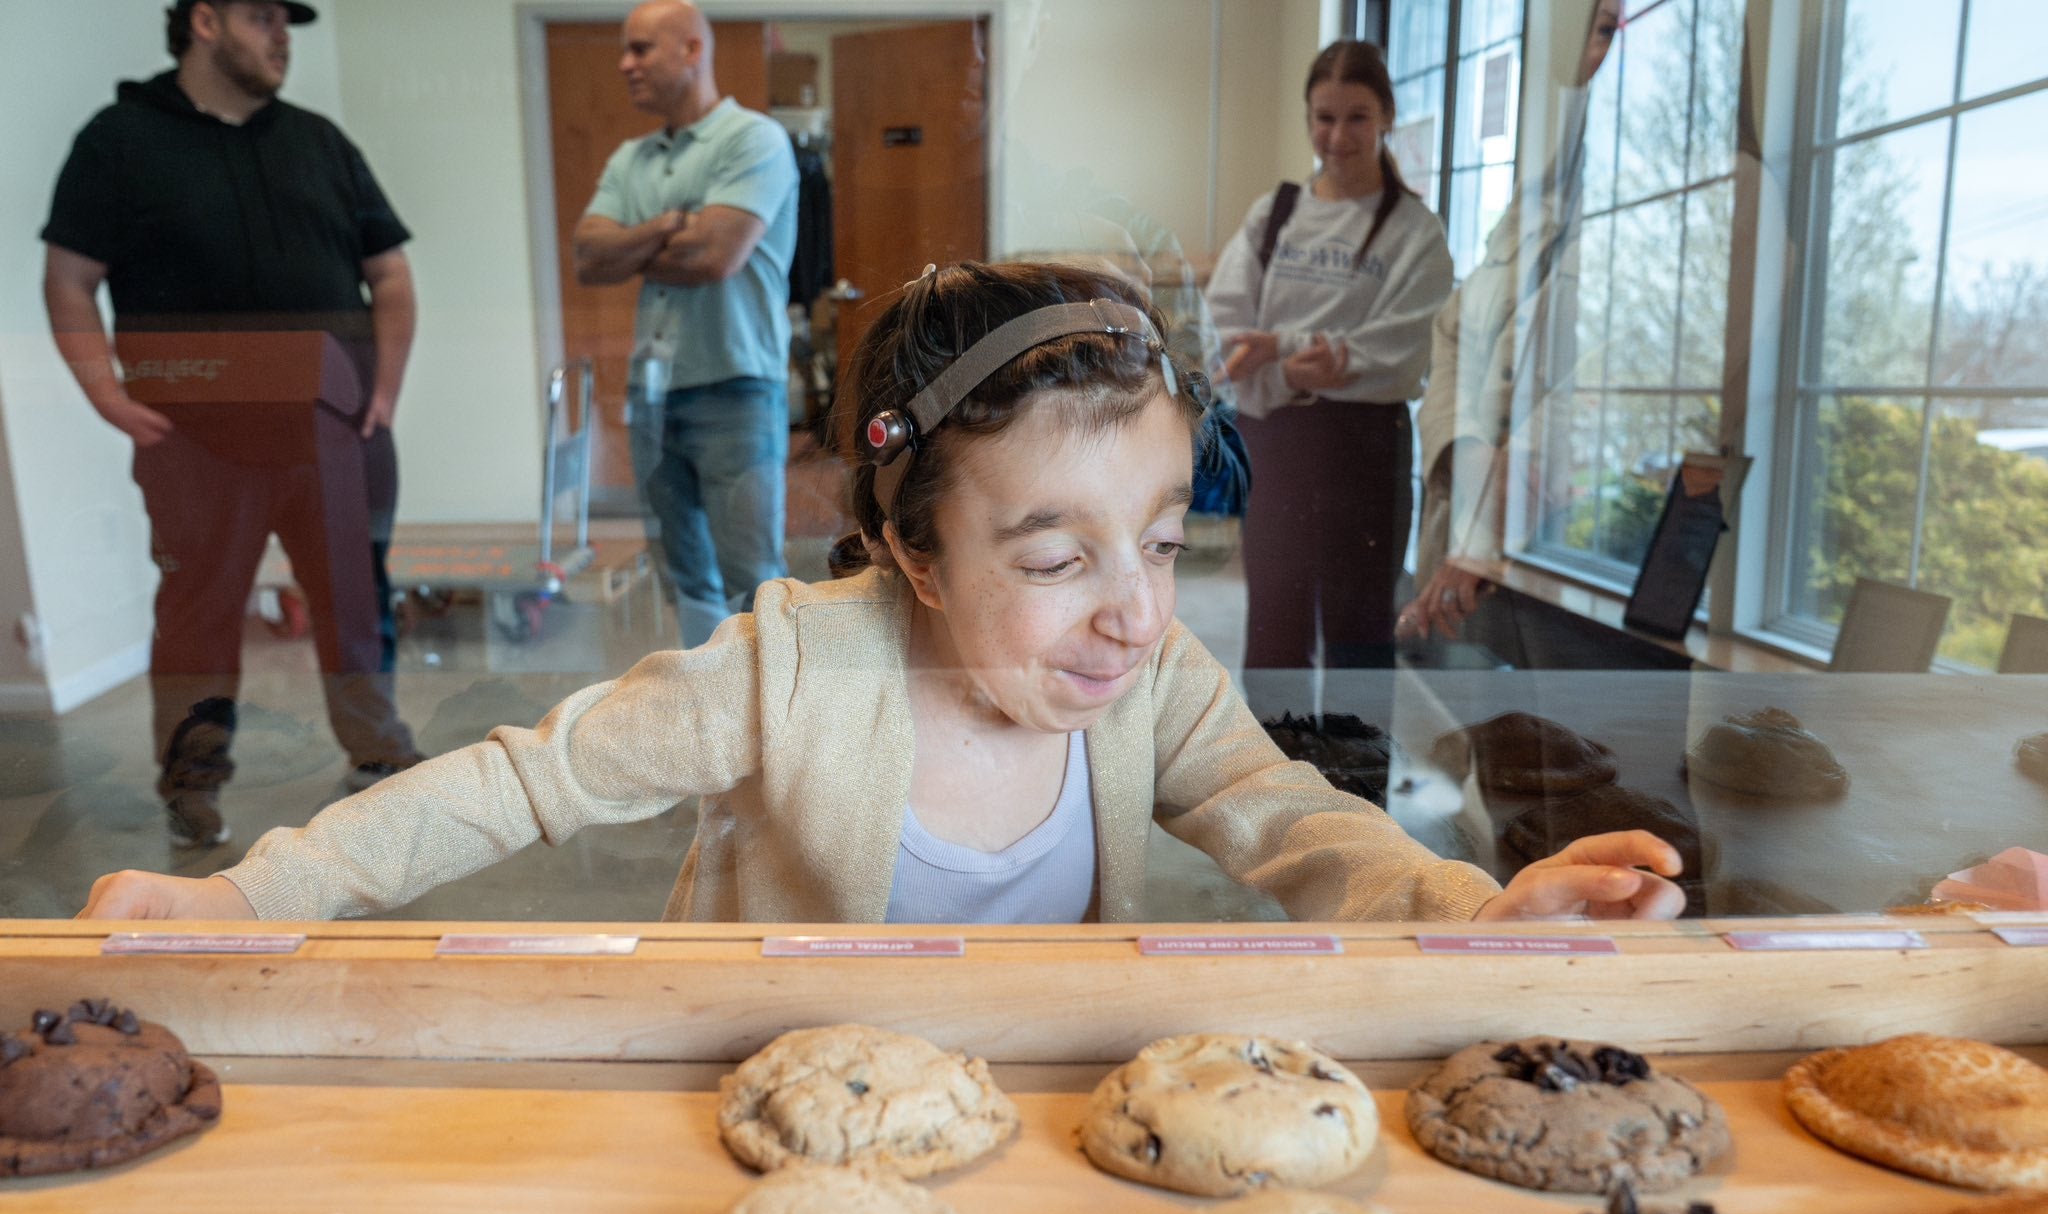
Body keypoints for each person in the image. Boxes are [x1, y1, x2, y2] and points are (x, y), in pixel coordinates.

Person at [77, 261, 1685, 926]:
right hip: (778, 1129)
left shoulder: (1150, 677)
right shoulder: (794, 670)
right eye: (1055, 558)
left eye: (1164, 538)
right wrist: (242, 899)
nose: (1133, 609)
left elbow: (1297, 822)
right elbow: (516, 781)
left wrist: (1476, 910)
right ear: (911, 550)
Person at [41, 0, 423, 852]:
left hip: (337, 428)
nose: (283, 33)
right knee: (199, 615)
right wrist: (104, 394)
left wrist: (384, 391)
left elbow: (390, 274)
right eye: (262, 16)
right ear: (205, 21)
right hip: (197, 440)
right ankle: (193, 782)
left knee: (356, 597)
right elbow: (69, 278)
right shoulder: (119, 142)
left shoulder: (320, 142)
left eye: (288, 20)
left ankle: (379, 752)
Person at [1207, 40, 1453, 675]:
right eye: (1324, 117)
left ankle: (1357, 778)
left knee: (1360, 634)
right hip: (1276, 440)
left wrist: (1282, 348)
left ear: (1388, 117)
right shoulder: (1276, 213)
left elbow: (1399, 352)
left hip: (1366, 447)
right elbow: (1227, 327)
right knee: (1275, 628)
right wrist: (1289, 370)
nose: (1338, 136)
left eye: (1357, 117)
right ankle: (1276, 775)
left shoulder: (1415, 232)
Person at [571, 0, 800, 649]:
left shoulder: (754, 140)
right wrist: (666, 227)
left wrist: (635, 242)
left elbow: (712, 255)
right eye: (626, 50)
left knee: (752, 575)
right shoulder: (631, 158)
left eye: (640, 49)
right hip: (653, 391)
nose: (625, 65)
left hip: (738, 386)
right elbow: (589, 257)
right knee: (682, 572)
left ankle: (775, 723)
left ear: (692, 51)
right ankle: (710, 708)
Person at [1403, 0, 1623, 643]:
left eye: (1608, 29)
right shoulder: (1535, 195)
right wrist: (1469, 449)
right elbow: (1452, 331)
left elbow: (1590, 371)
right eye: (1580, 31)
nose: (1592, 52)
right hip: (1475, 515)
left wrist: (1500, 496)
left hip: (1552, 532)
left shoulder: (1630, 188)